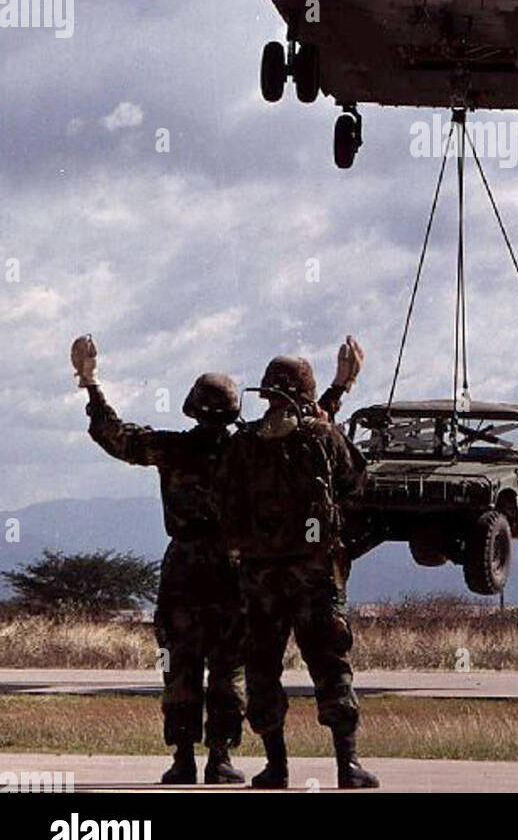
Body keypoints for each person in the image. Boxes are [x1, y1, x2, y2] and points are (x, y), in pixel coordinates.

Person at [71, 335, 246, 786]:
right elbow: (302, 443)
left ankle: (184, 758)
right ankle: (220, 757)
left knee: (180, 665)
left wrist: (90, 384)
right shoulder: (247, 454)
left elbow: (116, 436)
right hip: (232, 571)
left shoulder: (172, 449)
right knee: (227, 667)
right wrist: (333, 393)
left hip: (185, 568)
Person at [215, 339, 378, 790]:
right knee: (330, 665)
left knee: (263, 666)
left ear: (266, 394)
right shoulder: (323, 437)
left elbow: (224, 499)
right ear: (305, 394)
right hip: (316, 576)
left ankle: (276, 767)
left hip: (259, 578)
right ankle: (347, 766)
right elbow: (354, 481)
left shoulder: (244, 444)